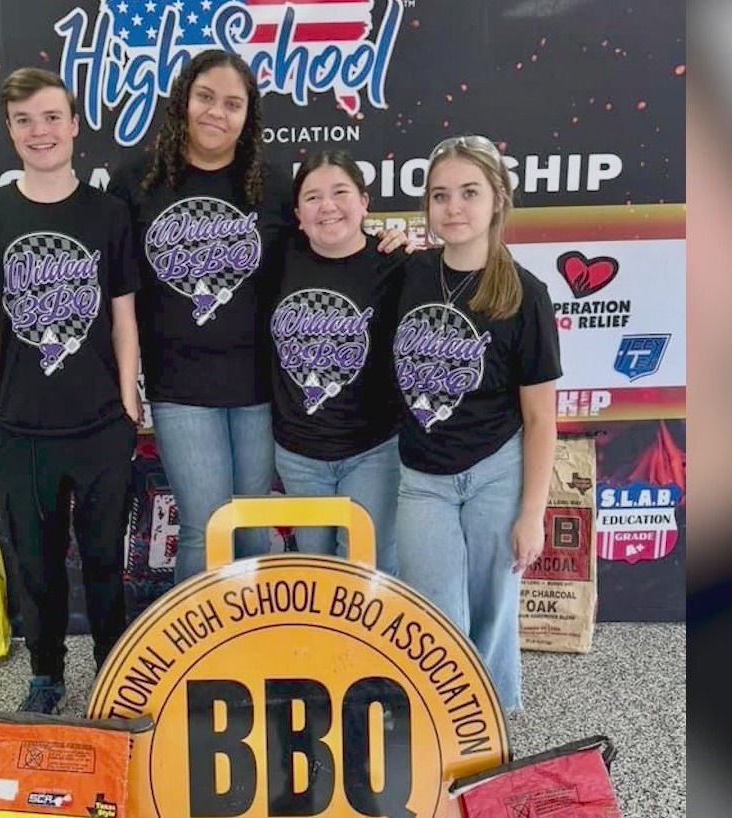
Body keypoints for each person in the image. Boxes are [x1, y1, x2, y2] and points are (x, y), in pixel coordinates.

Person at [107, 49, 404, 583]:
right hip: (180, 389)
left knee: (253, 528)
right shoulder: (135, 181)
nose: (216, 113)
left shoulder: (271, 181)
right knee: (206, 525)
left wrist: (385, 236)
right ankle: (200, 659)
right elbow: (118, 292)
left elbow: (326, 242)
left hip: (260, 390)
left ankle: (253, 645)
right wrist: (125, 383)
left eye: (233, 103)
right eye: (205, 97)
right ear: (183, 102)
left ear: (248, 117)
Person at [0, 67, 142, 713]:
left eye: (51, 117)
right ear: (10, 130)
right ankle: (45, 677)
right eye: (25, 120)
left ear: (74, 124)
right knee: (35, 569)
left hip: (98, 425)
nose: (41, 131)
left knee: (102, 564)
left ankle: (115, 674)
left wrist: (128, 403)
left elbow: (123, 317)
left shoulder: (109, 212)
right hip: (20, 429)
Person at [392, 135, 562, 715]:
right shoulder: (406, 276)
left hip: (496, 470)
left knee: (491, 611)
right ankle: (441, 724)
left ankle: (489, 732)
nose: (454, 207)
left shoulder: (526, 295)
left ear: (497, 201)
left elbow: (541, 418)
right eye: (440, 196)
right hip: (422, 477)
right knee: (433, 612)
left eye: (469, 192)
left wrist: (533, 513)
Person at [269, 150, 407, 575]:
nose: (327, 206)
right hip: (298, 453)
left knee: (367, 570)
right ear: (297, 213)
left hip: (373, 451)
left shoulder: (397, 264)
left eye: (340, 192)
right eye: (312, 198)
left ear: (365, 202)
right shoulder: (277, 259)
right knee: (317, 572)